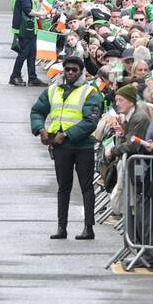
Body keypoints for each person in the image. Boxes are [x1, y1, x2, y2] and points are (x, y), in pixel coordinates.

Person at [30, 55, 103, 240]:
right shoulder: (52, 89)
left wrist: (68, 134)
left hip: (82, 145)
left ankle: (88, 227)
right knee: (63, 187)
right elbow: (37, 111)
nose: (70, 73)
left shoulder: (90, 92)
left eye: (74, 70)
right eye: (67, 69)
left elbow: (91, 121)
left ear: (81, 72)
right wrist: (40, 129)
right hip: (59, 146)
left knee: (86, 187)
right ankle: (61, 227)